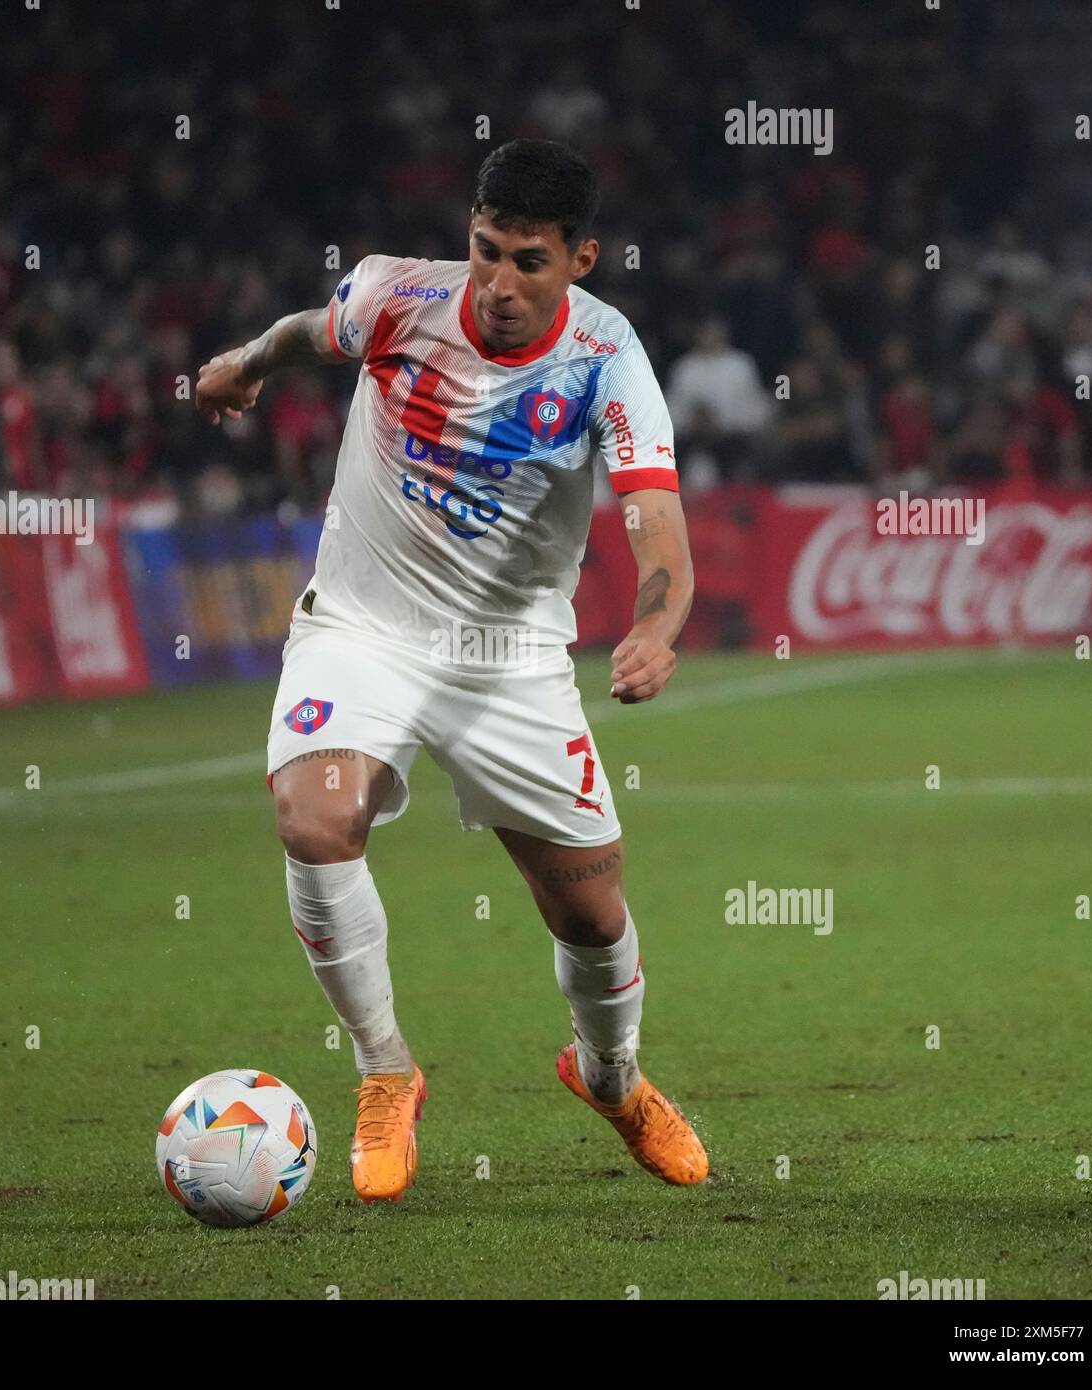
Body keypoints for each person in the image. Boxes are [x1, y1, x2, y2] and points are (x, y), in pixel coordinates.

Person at [195, 139, 708, 1202]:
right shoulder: (395, 296)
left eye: (529, 261)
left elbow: (658, 527)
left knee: (589, 912)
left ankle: (612, 1079)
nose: (499, 284)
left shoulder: (608, 359)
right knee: (313, 820)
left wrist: (657, 626)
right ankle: (386, 1071)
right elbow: (307, 332)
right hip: (361, 630)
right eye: (485, 251)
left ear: (581, 260)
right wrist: (246, 362)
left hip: (511, 659)